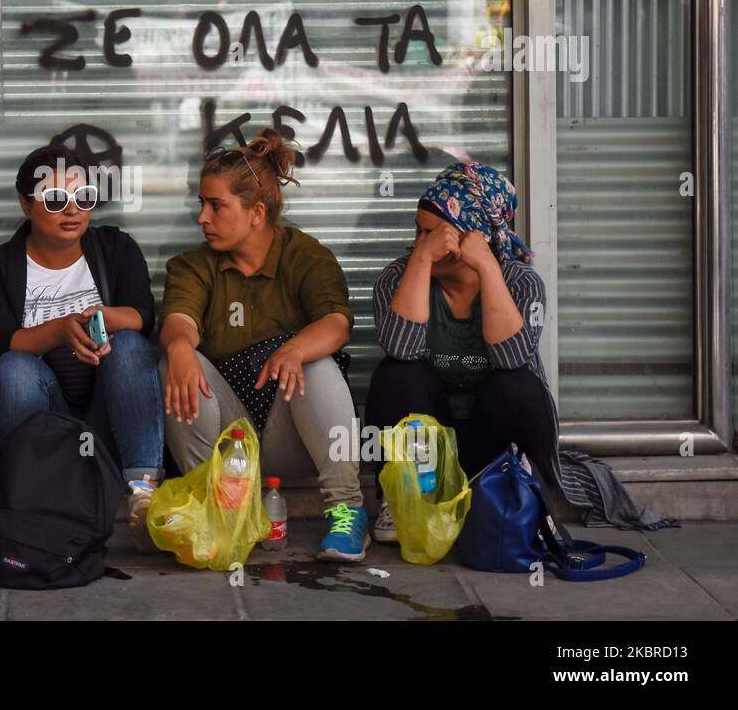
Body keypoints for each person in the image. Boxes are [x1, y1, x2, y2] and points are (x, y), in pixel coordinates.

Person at [161, 129, 370, 562]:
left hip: (290, 434)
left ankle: (346, 509)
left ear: (256, 212)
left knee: (315, 360)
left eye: (215, 205)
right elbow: (180, 320)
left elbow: (336, 324)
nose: (202, 217)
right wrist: (179, 347)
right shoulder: (194, 265)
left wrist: (294, 349)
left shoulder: (304, 255)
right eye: (201, 203)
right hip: (230, 440)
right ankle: (215, 505)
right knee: (176, 360)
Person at [0, 145, 164, 549]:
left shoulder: (115, 248)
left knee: (130, 346)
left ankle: (143, 489)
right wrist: (61, 331)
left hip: (107, 424)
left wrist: (99, 318)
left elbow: (142, 317)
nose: (72, 210)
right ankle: (28, 494)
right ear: (25, 205)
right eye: (55, 199)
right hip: (46, 429)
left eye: (83, 197)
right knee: (13, 369)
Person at [367, 161, 557, 544]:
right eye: (418, 232)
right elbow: (402, 348)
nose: (421, 242)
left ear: (475, 234)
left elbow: (511, 358)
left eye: (432, 234)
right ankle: (403, 494)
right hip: (435, 437)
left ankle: (517, 494)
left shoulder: (522, 284)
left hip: (493, 428)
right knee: (395, 374)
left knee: (516, 384)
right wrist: (421, 260)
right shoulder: (396, 278)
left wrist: (487, 267)